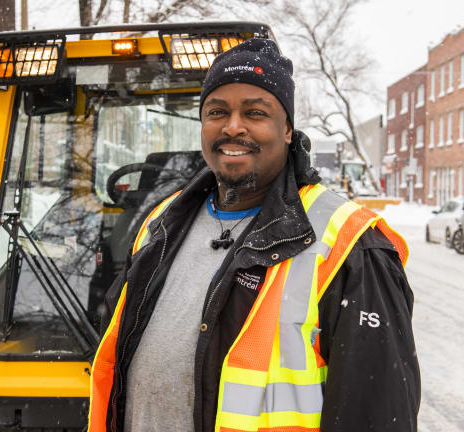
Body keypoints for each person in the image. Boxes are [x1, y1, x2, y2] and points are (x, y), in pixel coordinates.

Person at [88, 38, 420, 432]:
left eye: (255, 112)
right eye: (217, 111)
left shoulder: (350, 244)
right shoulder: (161, 222)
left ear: (287, 131)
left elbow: (377, 415)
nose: (232, 127)